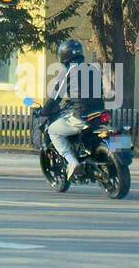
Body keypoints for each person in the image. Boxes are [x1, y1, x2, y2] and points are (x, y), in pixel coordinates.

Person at [39, 39, 104, 180]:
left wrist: (44, 111)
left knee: (53, 130)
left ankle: (72, 161)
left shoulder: (68, 73)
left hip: (82, 114)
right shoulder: (93, 69)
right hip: (100, 113)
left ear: (64, 55)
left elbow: (55, 97)